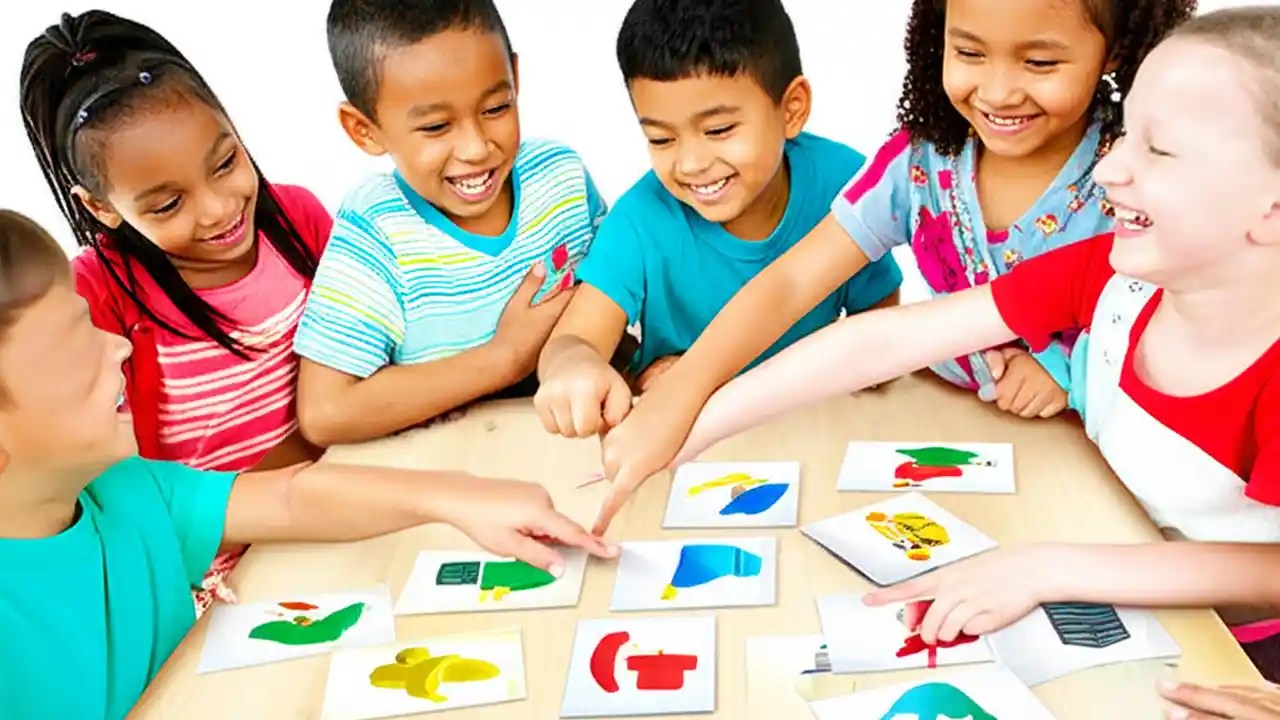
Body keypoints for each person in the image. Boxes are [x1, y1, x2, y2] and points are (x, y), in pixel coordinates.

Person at [669, 5, 1280, 682]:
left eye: (1157, 150)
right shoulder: (1104, 273)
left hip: (1242, 656)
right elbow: (881, 341)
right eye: (1127, 133)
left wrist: (1050, 567)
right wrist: (690, 424)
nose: (1109, 171)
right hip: (1125, 597)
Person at [588, 0, 1198, 535]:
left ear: (1117, 49)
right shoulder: (919, 162)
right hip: (941, 426)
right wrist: (682, 397)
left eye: (1039, 63)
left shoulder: (1131, 176)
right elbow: (793, 281)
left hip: (1086, 456)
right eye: (969, 52)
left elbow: (1184, 318)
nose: (999, 90)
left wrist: (1066, 365)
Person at [0, 209, 615, 720]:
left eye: (91, 323)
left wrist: (455, 496)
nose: (120, 343)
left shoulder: (125, 492)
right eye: (75, 347)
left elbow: (291, 499)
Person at [20, 10, 333, 613]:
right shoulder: (98, 294)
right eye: (167, 204)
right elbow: (113, 485)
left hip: (334, 506)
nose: (218, 210)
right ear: (102, 207)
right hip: (215, 585)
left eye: (225, 162)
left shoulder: (296, 221)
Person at [532, 0, 902, 440]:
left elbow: (879, 333)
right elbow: (573, 339)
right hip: (688, 442)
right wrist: (574, 366)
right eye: (661, 138)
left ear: (792, 109)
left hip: (812, 431)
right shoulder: (639, 222)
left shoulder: (844, 185)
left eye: (719, 130)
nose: (690, 163)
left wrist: (731, 383)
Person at [294, 0, 607, 446]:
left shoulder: (561, 176)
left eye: (496, 108)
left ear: (515, 79)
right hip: (450, 480)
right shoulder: (377, 228)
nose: (477, 148)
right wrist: (505, 358)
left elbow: (614, 299)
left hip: (571, 459)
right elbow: (326, 412)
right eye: (437, 127)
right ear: (365, 130)